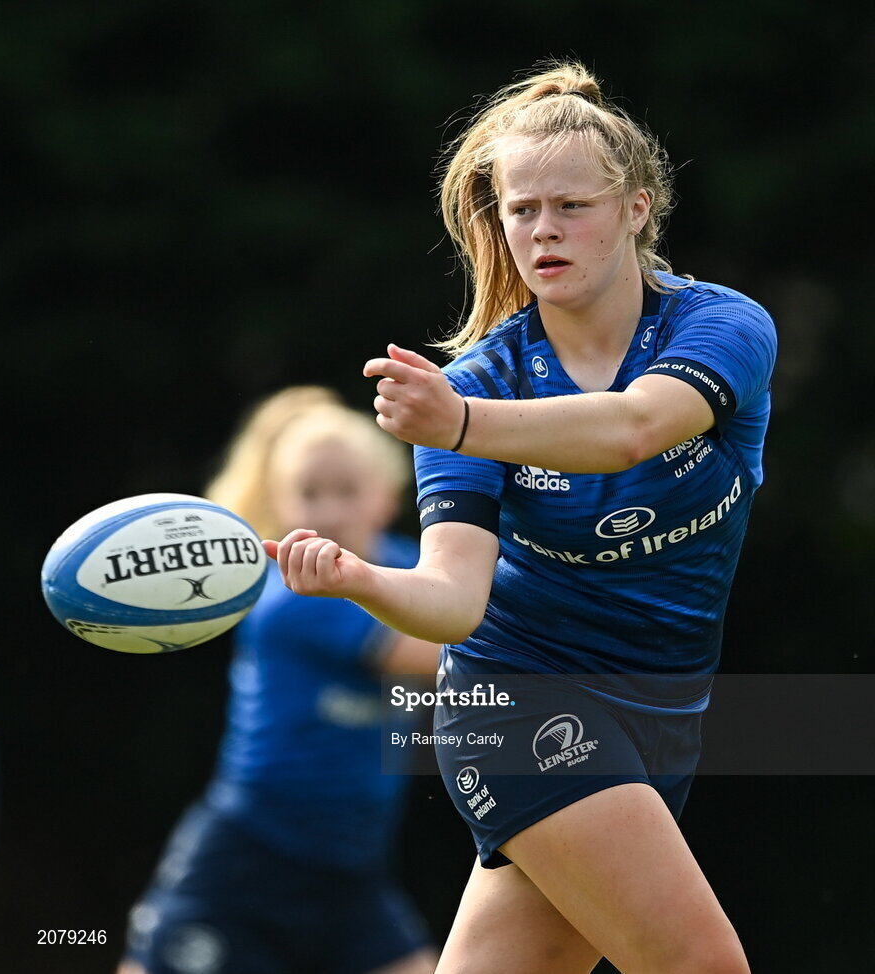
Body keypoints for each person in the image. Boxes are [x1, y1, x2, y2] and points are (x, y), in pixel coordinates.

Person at [265, 61, 776, 974]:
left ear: (638, 208)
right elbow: (455, 604)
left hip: (665, 709)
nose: (544, 230)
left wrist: (460, 423)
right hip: (517, 703)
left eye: (572, 206)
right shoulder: (470, 387)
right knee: (702, 965)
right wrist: (358, 580)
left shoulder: (721, 327)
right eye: (520, 210)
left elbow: (634, 428)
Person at [118, 387, 439, 974]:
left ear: (386, 497)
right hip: (250, 856)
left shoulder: (404, 566)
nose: (327, 510)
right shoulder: (299, 597)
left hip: (350, 865)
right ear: (280, 506)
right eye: (308, 494)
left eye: (346, 491)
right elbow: (439, 653)